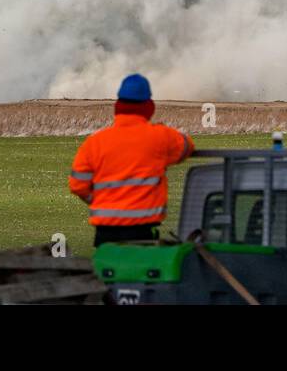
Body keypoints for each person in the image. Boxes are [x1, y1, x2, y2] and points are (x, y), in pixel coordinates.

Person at [69, 74, 195, 245]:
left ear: (117, 107)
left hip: (106, 233)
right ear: (149, 107)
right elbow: (187, 146)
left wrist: (101, 200)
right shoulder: (160, 137)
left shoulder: (95, 142)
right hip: (143, 232)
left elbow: (77, 185)